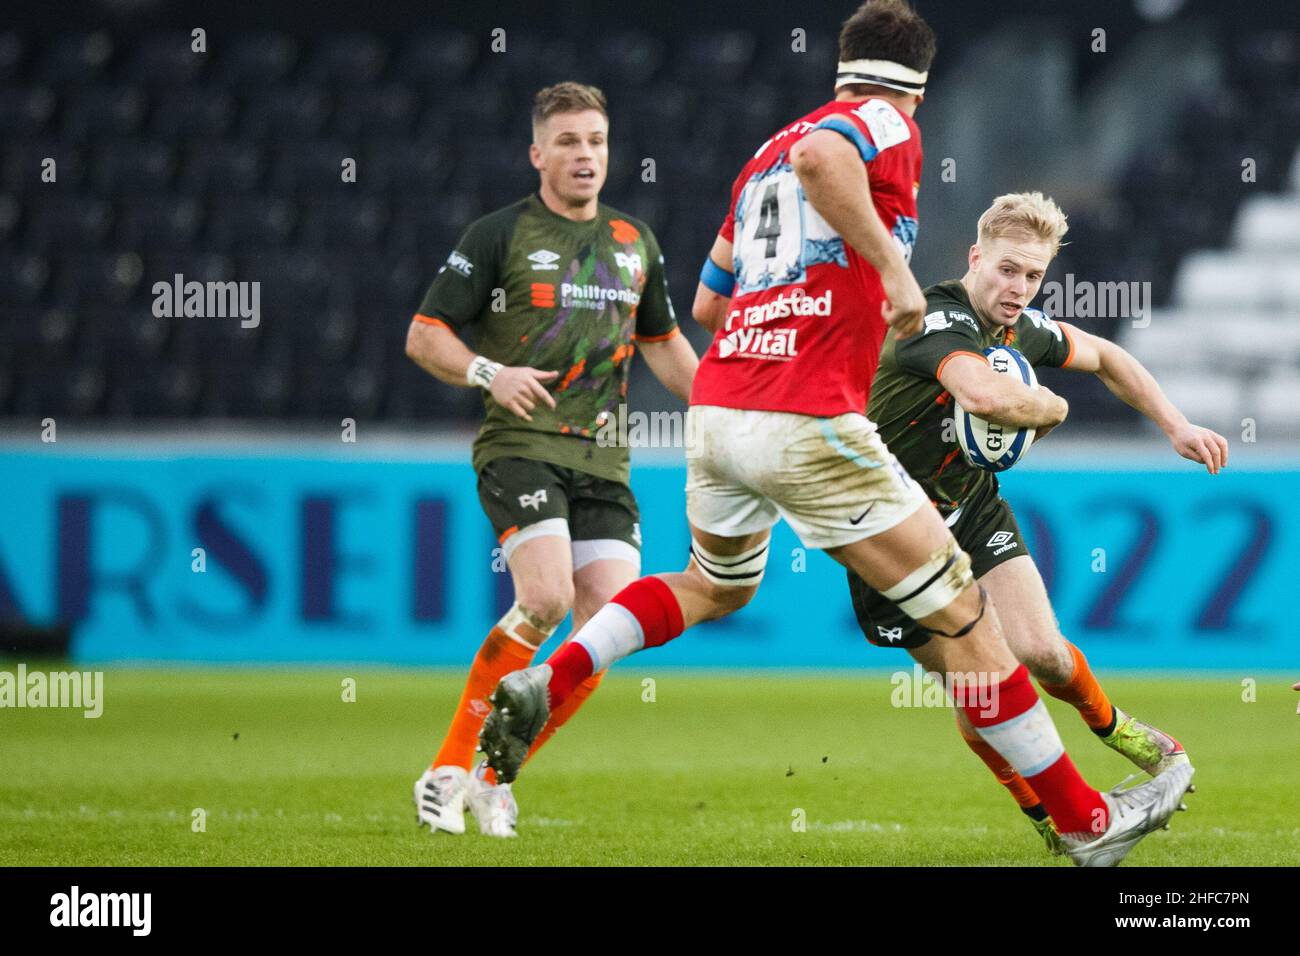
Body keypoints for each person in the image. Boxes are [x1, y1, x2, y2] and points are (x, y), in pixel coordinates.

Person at [481, 0, 1194, 866]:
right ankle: (1085, 823)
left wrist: (790, 305)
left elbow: (708, 302)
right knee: (969, 621)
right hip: (806, 413)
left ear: (842, 63)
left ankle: (546, 679)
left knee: (712, 584)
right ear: (917, 88)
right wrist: (892, 274)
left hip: (720, 407)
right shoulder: (878, 125)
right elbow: (829, 158)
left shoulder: (760, 161)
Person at [850, 190, 1222, 852]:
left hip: (969, 506)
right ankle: (1051, 820)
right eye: (1007, 269)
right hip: (891, 533)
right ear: (975, 257)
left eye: (1033, 275)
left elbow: (1108, 356)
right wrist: (1050, 409)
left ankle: (1123, 734)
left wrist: (1176, 424)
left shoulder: (1019, 329)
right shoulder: (933, 319)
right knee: (980, 684)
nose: (1019, 287)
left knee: (1043, 652)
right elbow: (983, 393)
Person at [404, 81, 699, 837]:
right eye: (568, 141)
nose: (585, 155)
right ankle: (445, 769)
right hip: (521, 446)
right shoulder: (497, 235)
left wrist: (725, 412)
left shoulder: (636, 243)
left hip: (605, 461)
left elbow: (663, 345)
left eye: (596, 141)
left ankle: (495, 776)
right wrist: (489, 373)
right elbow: (425, 333)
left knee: (606, 624)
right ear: (537, 154)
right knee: (542, 601)